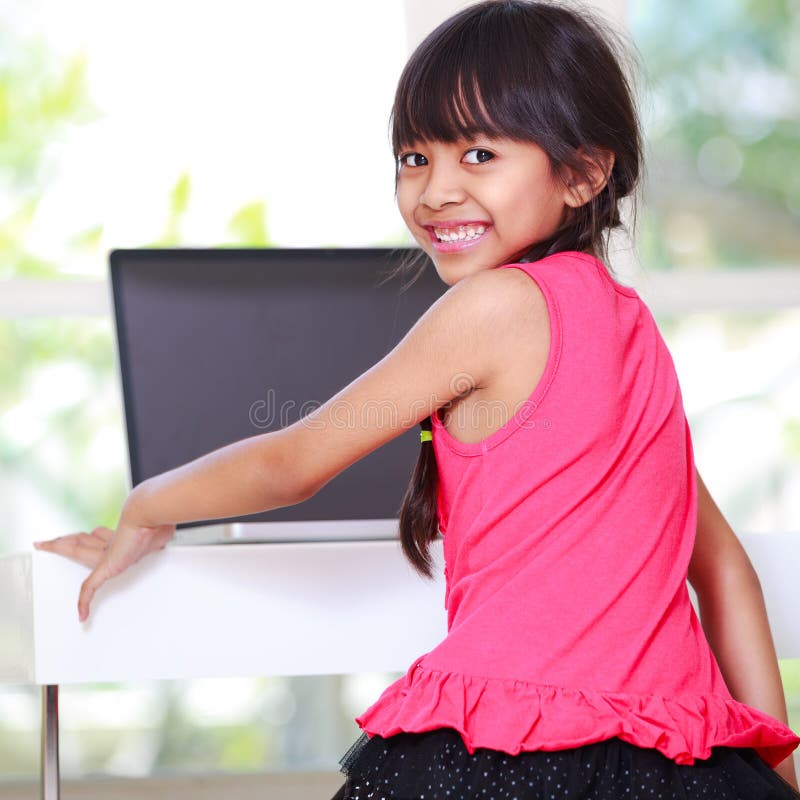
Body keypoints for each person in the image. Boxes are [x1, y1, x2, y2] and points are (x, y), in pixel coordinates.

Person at [34, 1, 800, 797]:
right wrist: (773, 779)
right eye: (413, 157)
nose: (435, 191)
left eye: (478, 153)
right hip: (677, 760)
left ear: (582, 172)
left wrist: (148, 504)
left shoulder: (494, 306)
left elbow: (293, 461)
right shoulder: (632, 330)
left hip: (512, 758)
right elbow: (724, 569)